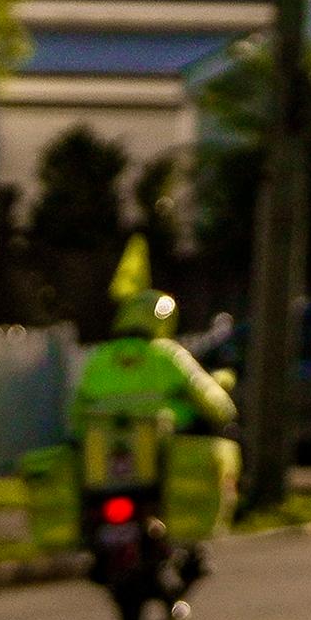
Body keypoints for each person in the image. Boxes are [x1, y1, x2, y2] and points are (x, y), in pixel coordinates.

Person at [72, 239, 237, 586]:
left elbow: (77, 410)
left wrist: (78, 437)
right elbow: (212, 398)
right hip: (158, 457)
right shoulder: (167, 355)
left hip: (105, 459)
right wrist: (223, 412)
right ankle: (187, 551)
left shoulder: (100, 357)